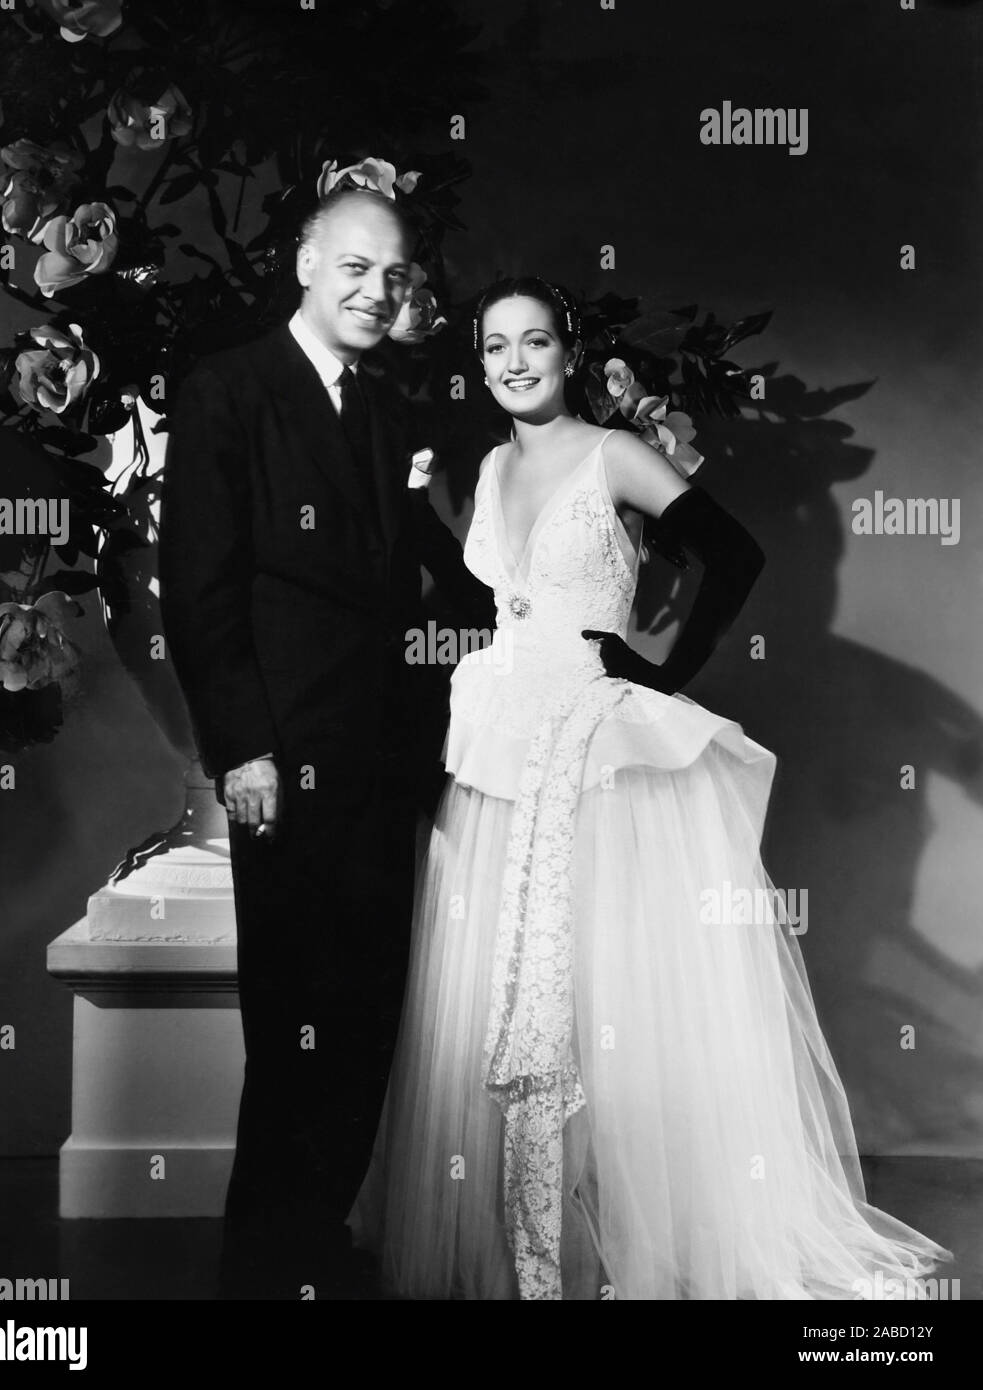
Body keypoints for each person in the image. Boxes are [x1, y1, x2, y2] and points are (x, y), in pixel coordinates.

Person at [348, 276, 952, 1299]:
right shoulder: (490, 467)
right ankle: (531, 1250)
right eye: (496, 345)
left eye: (535, 341)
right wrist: (409, 516)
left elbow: (735, 550)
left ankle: (619, 1248)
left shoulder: (614, 453)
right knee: (497, 989)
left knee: (605, 990)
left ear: (568, 353)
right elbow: (479, 601)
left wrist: (665, 669)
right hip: (497, 745)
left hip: (592, 742)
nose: (515, 361)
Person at [158, 186, 495, 1298]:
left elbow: (425, 566)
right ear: (305, 261)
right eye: (354, 267)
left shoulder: (390, 410)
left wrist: (531, 609)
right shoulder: (227, 391)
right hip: (282, 759)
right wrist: (241, 748)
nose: (375, 291)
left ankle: (316, 1239)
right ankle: (265, 1255)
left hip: (385, 748)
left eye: (394, 277)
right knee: (296, 1009)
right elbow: (198, 589)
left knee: (367, 1007)